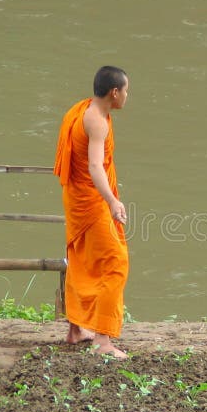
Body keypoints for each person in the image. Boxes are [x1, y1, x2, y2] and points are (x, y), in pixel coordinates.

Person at [54, 66, 131, 358]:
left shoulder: (81, 109)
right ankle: (103, 341)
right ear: (114, 92)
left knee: (82, 259)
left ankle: (76, 329)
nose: (127, 96)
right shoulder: (97, 121)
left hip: (76, 197)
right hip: (93, 201)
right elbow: (95, 166)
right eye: (126, 90)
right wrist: (112, 201)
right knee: (115, 263)